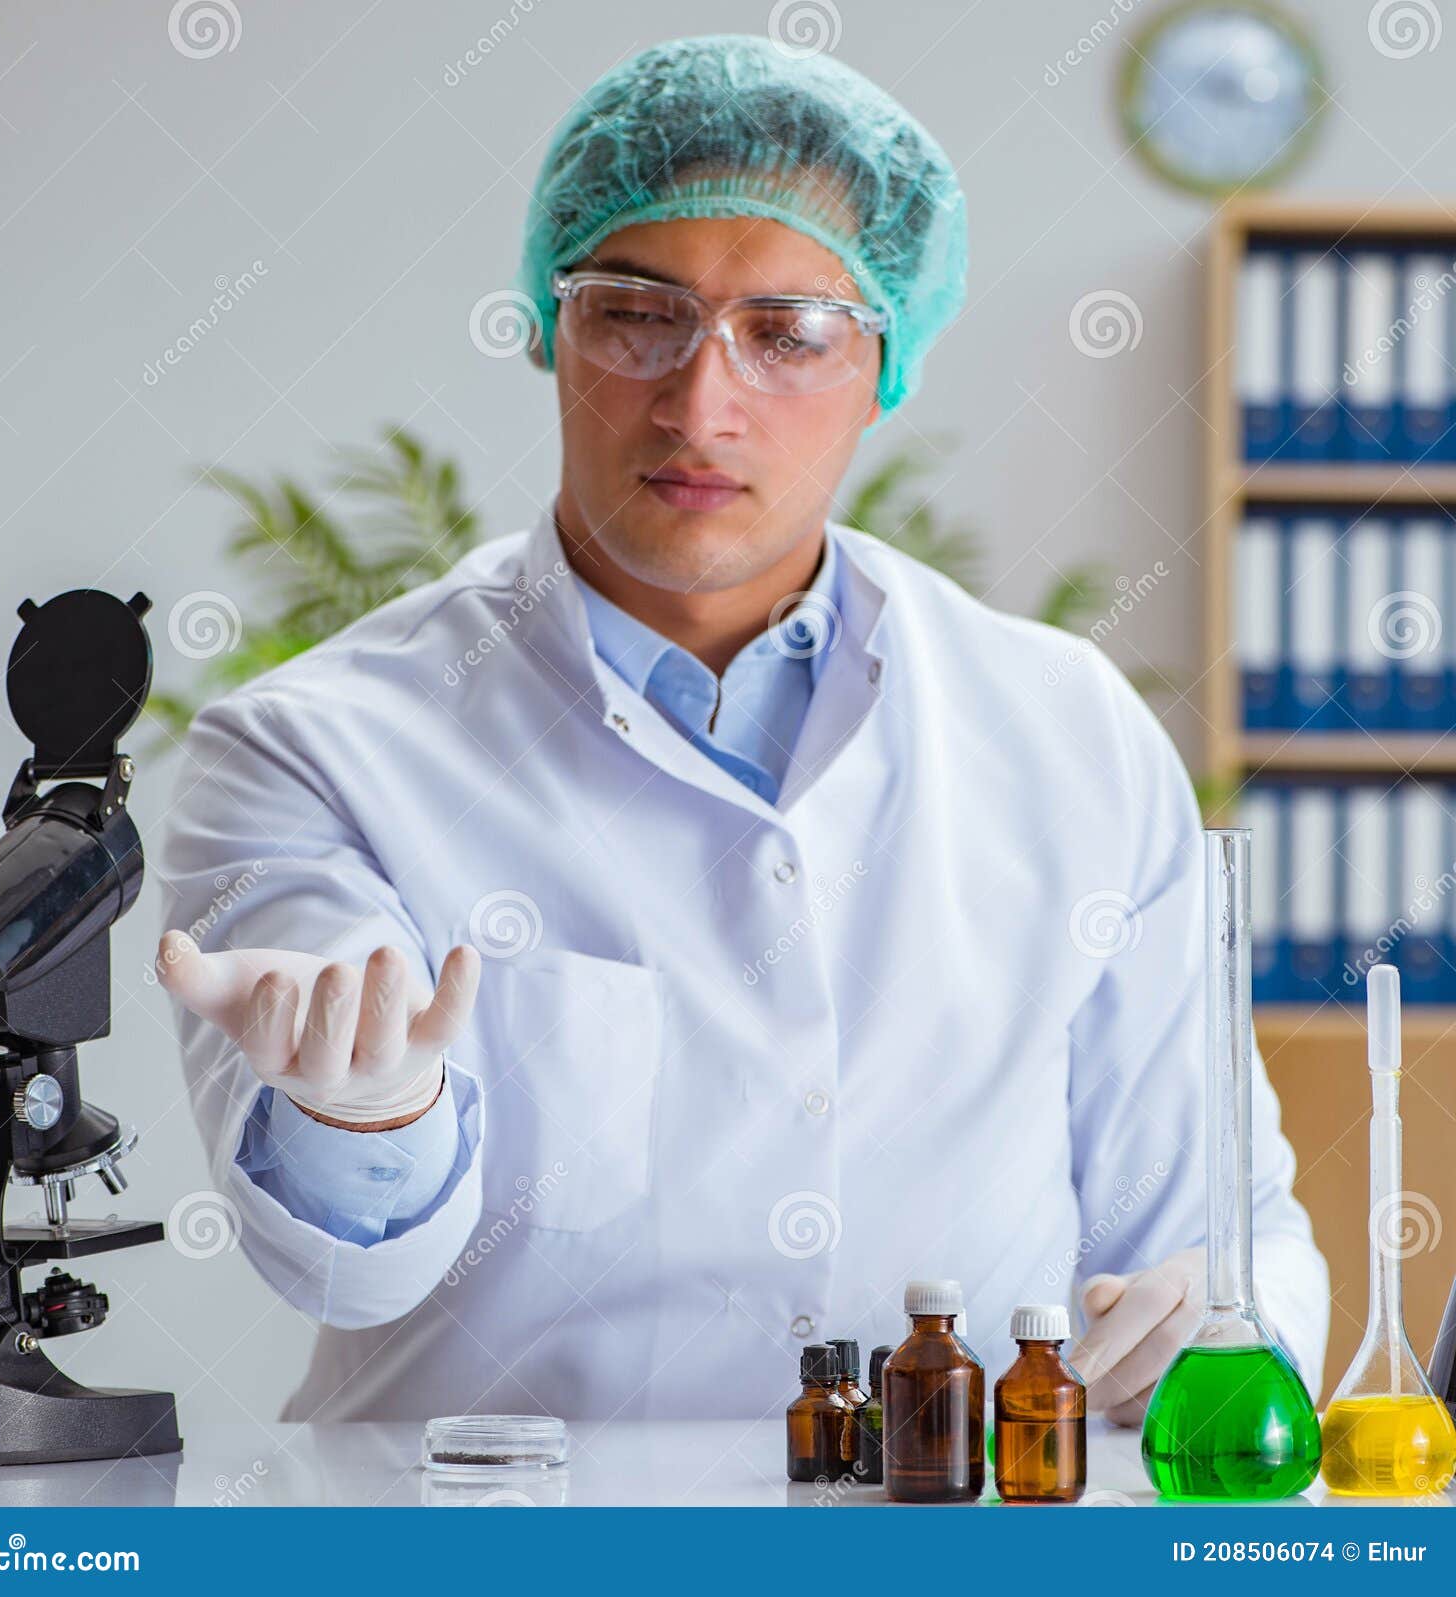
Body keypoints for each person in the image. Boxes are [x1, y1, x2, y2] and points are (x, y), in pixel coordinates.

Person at [157, 33, 1327, 1424]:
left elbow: (1224, 1218)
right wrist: (368, 1119)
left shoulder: (1066, 729)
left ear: (886, 363)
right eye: (636, 314)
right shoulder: (317, 747)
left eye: (790, 333)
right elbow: (349, 1271)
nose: (702, 402)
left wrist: (1225, 1304)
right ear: (548, 327)